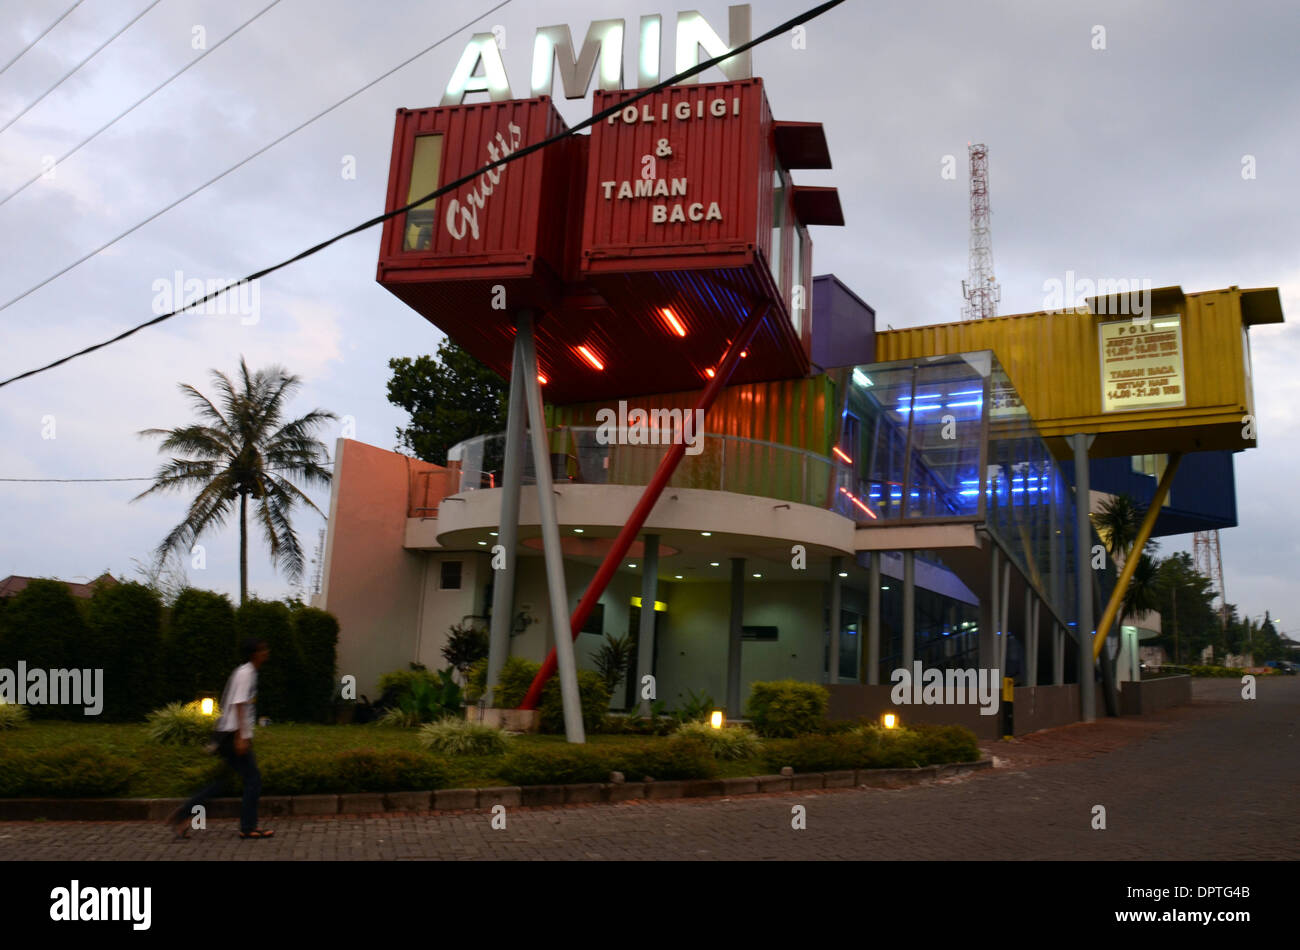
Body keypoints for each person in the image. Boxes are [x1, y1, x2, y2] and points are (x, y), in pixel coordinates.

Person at [167, 638, 275, 840]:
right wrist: (241, 737)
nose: (266, 652)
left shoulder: (247, 672)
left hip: (229, 733)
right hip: (232, 734)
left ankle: (185, 813)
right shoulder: (246, 673)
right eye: (263, 649)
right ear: (254, 653)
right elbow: (240, 704)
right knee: (253, 779)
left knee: (222, 782)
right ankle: (248, 827)